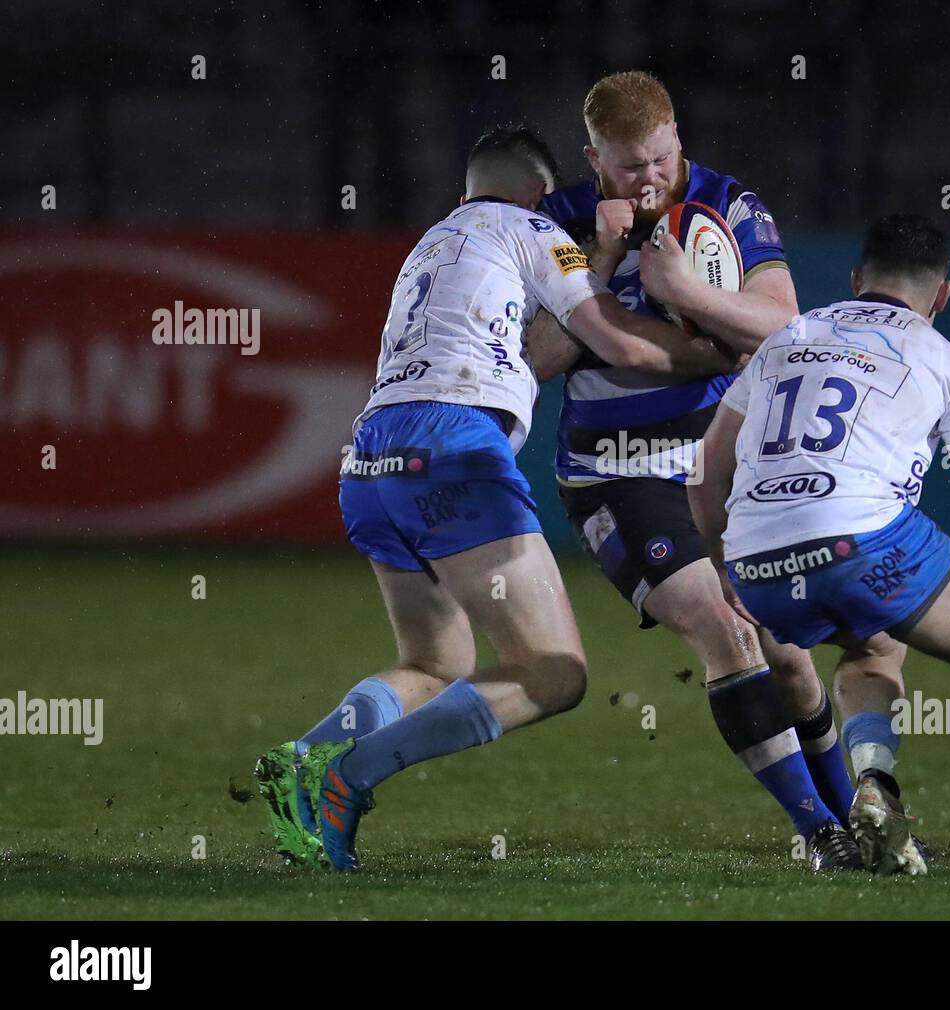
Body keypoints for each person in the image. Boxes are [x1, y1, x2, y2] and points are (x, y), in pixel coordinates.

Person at [254, 125, 734, 871]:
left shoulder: (430, 246)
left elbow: (532, 351)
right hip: (454, 452)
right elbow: (620, 344)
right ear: (541, 194)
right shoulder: (537, 229)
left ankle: (306, 756)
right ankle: (352, 775)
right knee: (554, 672)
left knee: (433, 665)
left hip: (372, 457)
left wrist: (600, 257)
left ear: (464, 192)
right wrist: (720, 352)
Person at [688, 213, 950, 881]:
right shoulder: (942, 357)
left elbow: (707, 471)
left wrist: (726, 569)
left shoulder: (786, 338)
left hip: (755, 557)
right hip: (859, 539)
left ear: (856, 279)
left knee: (871, 642)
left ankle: (875, 785)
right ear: (941, 295)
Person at [528, 71, 861, 870]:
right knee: (723, 626)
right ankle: (821, 832)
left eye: (662, 159)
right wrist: (603, 257)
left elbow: (782, 322)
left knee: (787, 654)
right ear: (593, 159)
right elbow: (537, 357)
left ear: (680, 142)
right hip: (617, 472)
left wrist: (685, 292)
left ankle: (864, 822)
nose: (650, 179)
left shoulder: (729, 205)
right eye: (629, 165)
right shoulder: (556, 221)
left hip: (722, 469)